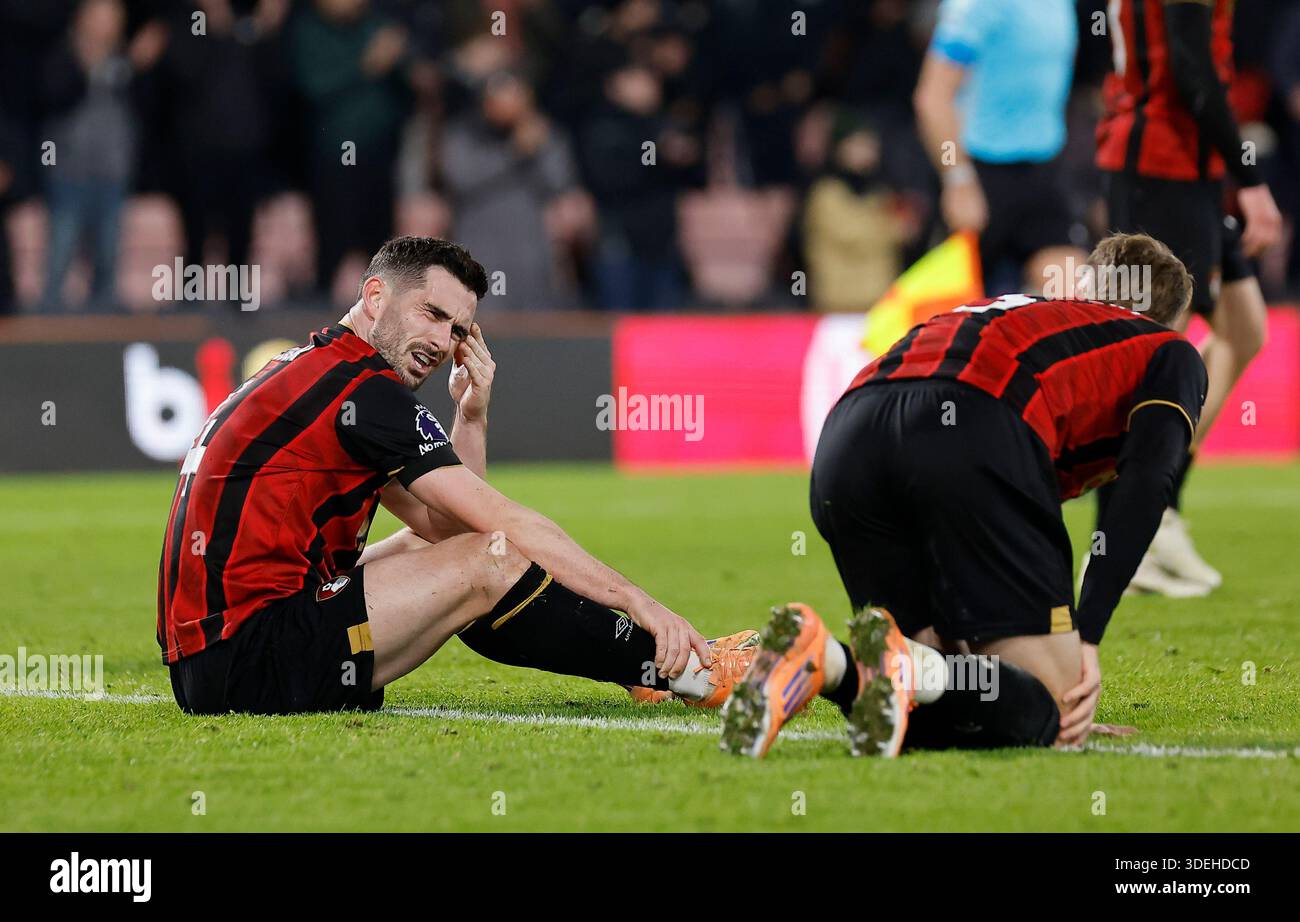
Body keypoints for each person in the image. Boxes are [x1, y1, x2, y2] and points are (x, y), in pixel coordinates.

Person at [158, 236, 755, 715]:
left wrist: (471, 415)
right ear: (374, 296)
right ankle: (683, 669)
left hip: (218, 656)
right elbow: (501, 527)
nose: (443, 342)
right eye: (432, 314)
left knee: (463, 547)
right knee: (490, 559)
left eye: (459, 330)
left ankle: (646, 668)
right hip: (248, 658)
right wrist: (641, 603)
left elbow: (443, 526)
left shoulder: (321, 370)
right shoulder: (365, 391)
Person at [721, 234, 1206, 758]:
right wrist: (1086, 637)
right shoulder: (1163, 348)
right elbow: (1148, 480)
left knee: (920, 700)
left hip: (849, 435)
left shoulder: (1011, 310)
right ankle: (1021, 698)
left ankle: (828, 661)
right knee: (1055, 708)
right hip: (977, 420)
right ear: (1167, 318)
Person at [1092, 0, 1285, 595]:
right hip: (1162, 164)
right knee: (1153, 353)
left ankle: (1158, 503)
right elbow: (1190, 69)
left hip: (1180, 164)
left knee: (1244, 328)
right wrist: (1251, 181)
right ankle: (1127, 530)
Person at [913, 0, 1087, 295]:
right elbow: (932, 97)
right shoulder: (976, 6)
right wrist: (958, 178)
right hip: (980, 172)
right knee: (949, 314)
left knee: (1074, 296)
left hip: (1043, 170)